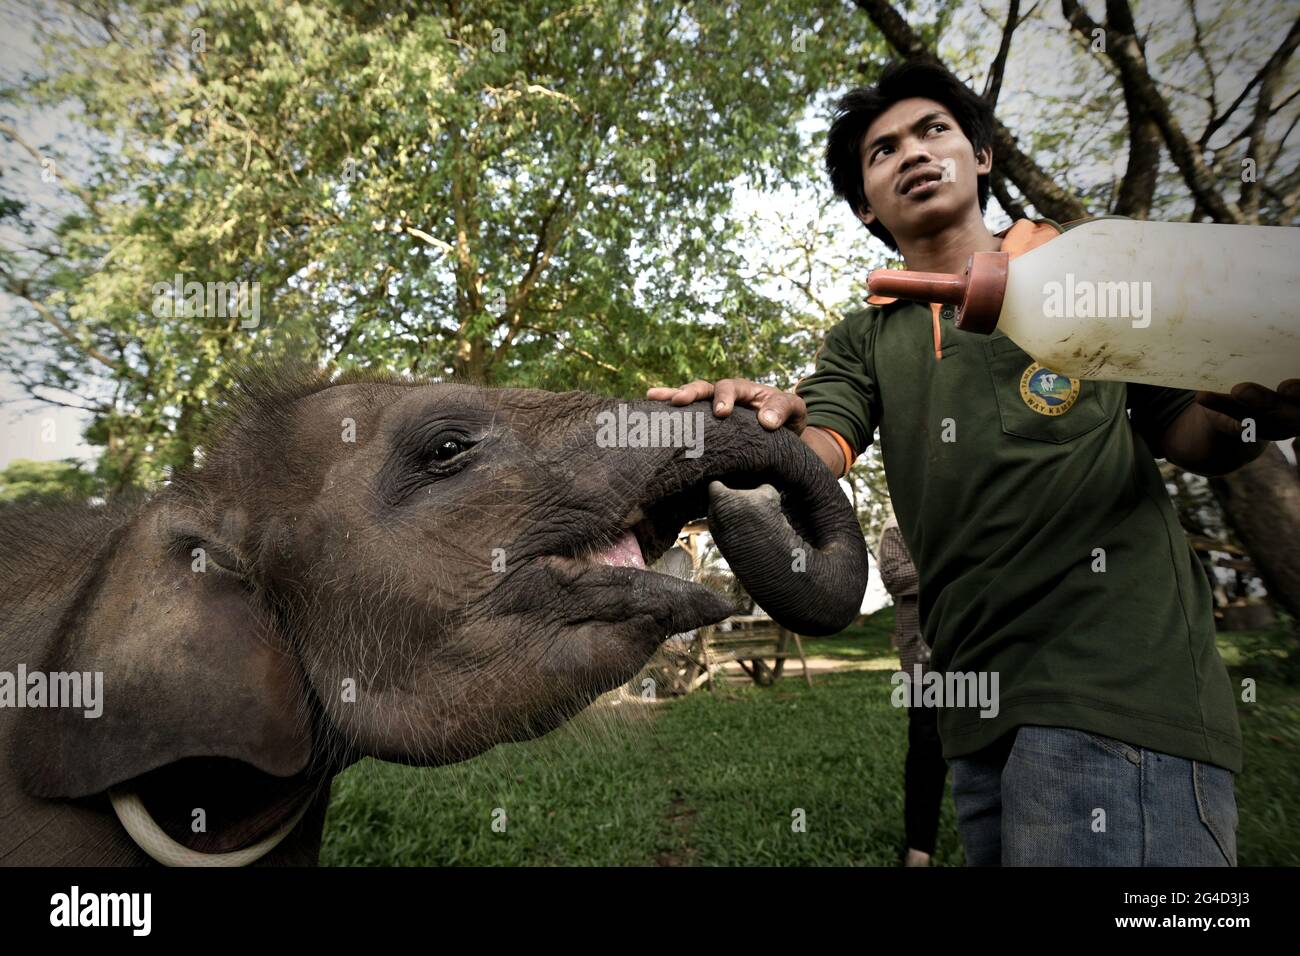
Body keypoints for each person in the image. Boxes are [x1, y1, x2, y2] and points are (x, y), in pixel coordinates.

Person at [647, 59, 1300, 866]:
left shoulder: (1090, 278)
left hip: (1118, 683)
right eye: (882, 152)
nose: (913, 154)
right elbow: (818, 443)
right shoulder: (867, 337)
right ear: (864, 205)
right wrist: (748, 435)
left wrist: (1254, 419)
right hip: (973, 708)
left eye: (934, 131)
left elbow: (1194, 435)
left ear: (981, 155)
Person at [877, 512, 946, 867]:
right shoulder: (896, 522)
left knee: (987, 748)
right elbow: (894, 576)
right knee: (926, 749)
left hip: (976, 655)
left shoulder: (964, 508)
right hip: (923, 663)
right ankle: (920, 847)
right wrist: (955, 569)